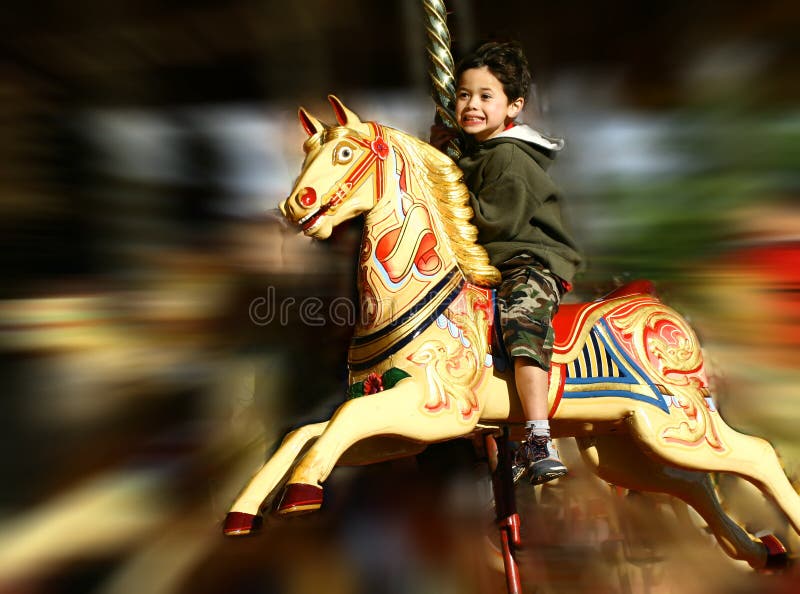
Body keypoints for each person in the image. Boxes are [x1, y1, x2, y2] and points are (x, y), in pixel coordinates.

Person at [431, 41, 583, 485]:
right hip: (486, 265)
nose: (471, 104)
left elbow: (491, 222)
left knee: (521, 321)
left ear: (513, 105)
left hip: (527, 260)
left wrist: (443, 172)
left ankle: (538, 436)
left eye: (485, 96)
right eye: (463, 94)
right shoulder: (475, 151)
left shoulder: (511, 156)